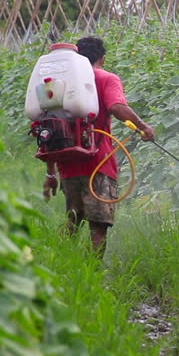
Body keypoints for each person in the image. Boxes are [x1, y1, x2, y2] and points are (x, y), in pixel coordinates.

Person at [42, 36, 155, 255]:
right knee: (98, 226)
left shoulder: (60, 84)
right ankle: (92, 271)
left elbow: (50, 127)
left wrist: (51, 173)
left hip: (68, 164)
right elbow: (117, 106)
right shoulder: (106, 78)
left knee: (72, 221)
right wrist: (144, 127)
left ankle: (59, 265)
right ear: (102, 59)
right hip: (99, 164)